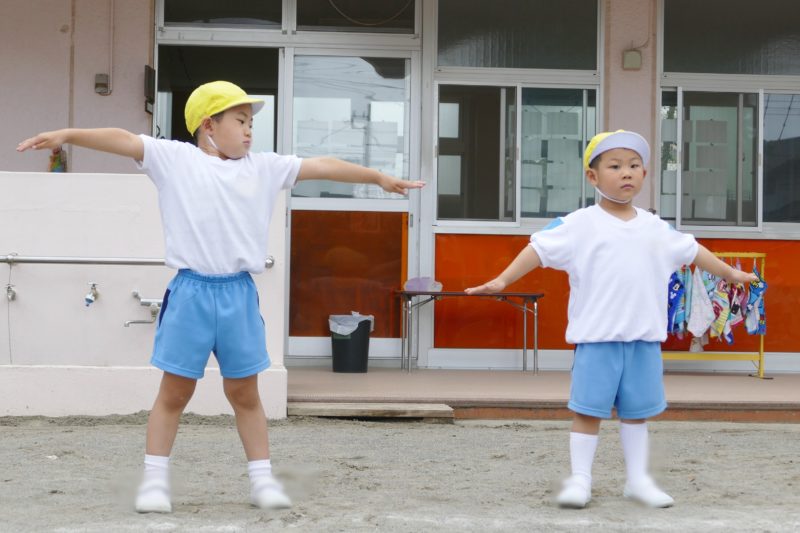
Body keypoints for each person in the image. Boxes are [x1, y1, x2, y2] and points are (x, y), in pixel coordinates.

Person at [17, 80, 424, 514]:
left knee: (245, 394)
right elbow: (124, 139)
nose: (249, 131)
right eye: (241, 121)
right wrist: (68, 134)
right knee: (174, 394)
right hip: (190, 292)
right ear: (209, 125)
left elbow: (322, 164)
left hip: (238, 294)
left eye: (250, 123)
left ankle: (262, 482)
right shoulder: (176, 159)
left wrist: (377, 177)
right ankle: (154, 483)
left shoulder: (263, 168)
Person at [465, 130, 757, 509]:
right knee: (588, 411)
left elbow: (693, 250)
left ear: (645, 174)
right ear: (593, 176)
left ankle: (638, 481)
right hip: (596, 339)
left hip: (643, 340)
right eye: (615, 166)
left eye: (634, 165)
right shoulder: (578, 224)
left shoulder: (656, 228)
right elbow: (538, 249)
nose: (626, 173)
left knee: (637, 415)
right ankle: (580, 480)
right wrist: (503, 280)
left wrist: (731, 274)